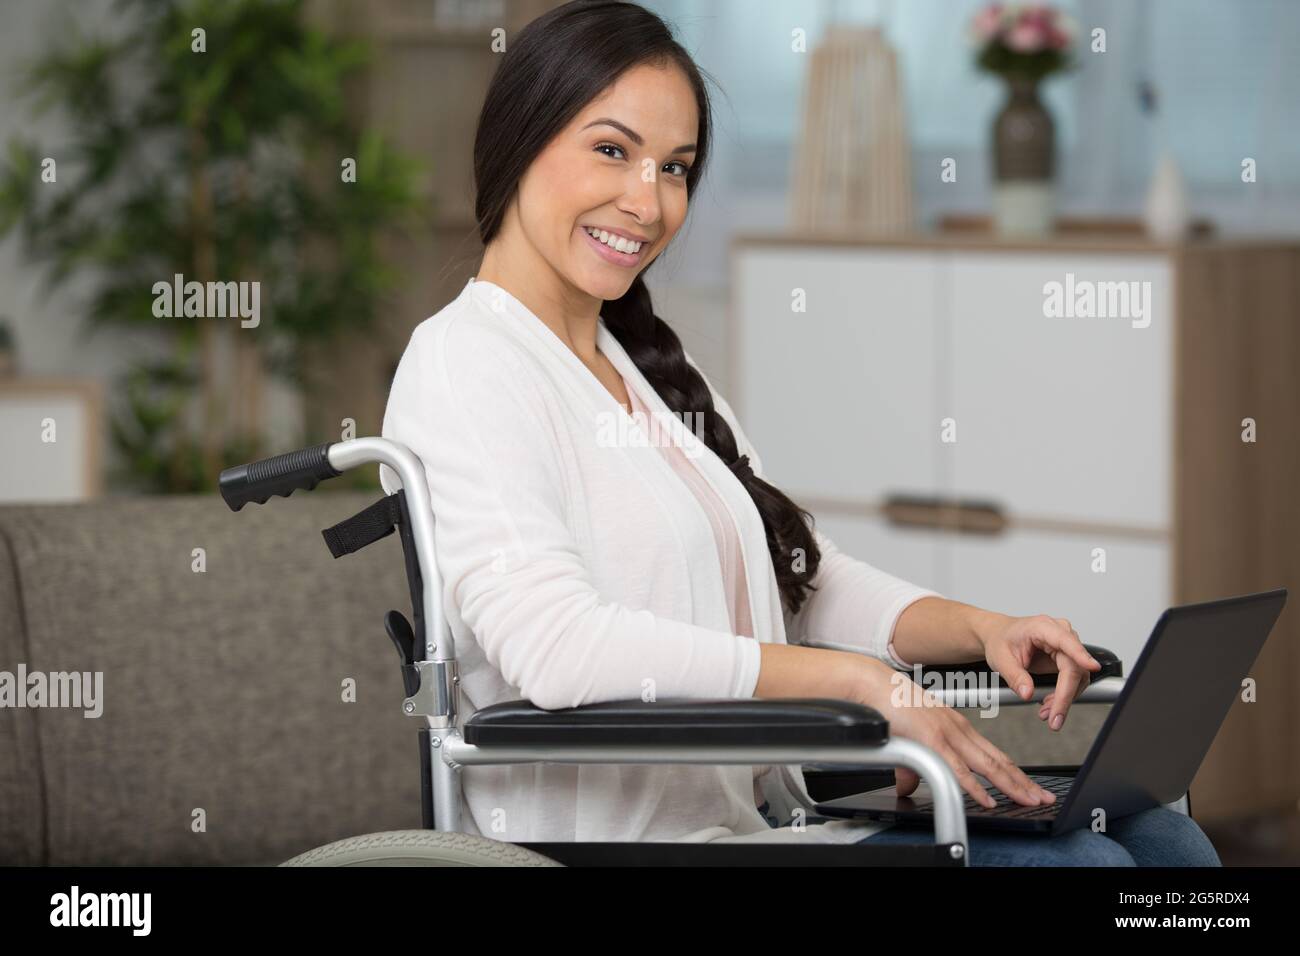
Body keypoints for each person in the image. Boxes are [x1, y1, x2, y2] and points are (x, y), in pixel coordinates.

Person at [381, 0, 1218, 865]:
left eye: (676, 168)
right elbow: (559, 651)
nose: (647, 200)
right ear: (522, 137)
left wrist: (981, 629)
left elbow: (803, 580)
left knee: (1163, 838)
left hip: (764, 827)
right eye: (611, 150)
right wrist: (863, 685)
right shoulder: (465, 366)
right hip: (618, 844)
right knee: (1081, 864)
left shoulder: (647, 370)